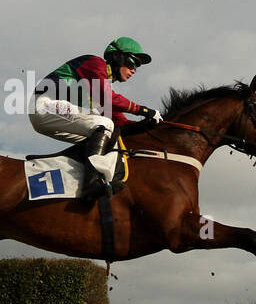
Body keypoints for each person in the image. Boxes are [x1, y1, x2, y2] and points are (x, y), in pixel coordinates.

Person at [30, 37, 162, 198]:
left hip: (53, 113)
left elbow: (118, 120)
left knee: (112, 136)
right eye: (133, 63)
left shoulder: (100, 80)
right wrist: (143, 110)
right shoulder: (95, 63)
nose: (134, 70)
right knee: (104, 125)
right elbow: (107, 97)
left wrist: (146, 128)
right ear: (118, 57)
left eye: (137, 67)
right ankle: (92, 183)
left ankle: (73, 177)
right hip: (45, 105)